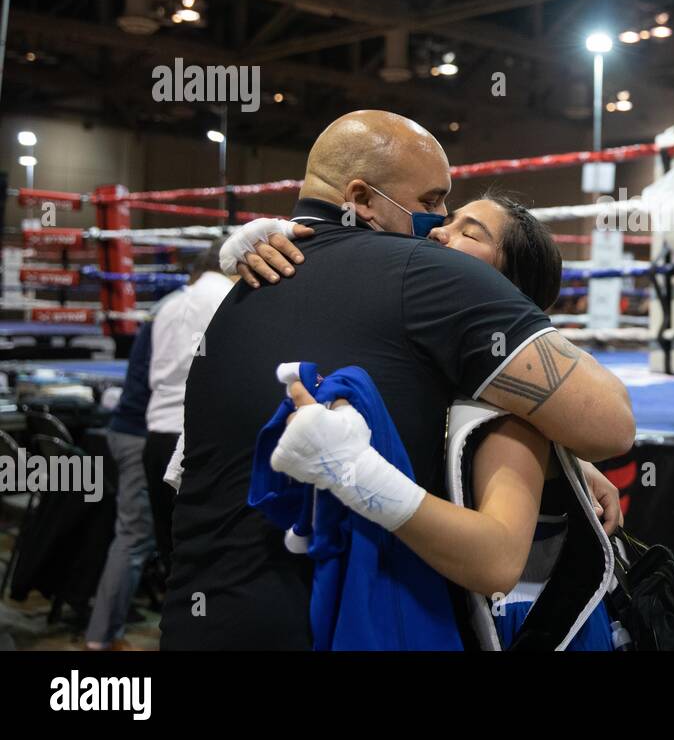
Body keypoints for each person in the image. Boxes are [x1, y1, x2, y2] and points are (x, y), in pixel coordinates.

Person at [160, 111, 634, 650]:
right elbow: (608, 424)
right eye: (433, 204)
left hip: (207, 615)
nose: (437, 228)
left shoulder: (244, 292)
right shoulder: (405, 276)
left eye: (462, 227)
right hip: (327, 621)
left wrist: (359, 473)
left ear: (502, 286)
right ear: (361, 198)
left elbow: (500, 553)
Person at [145, 242, 236, 576]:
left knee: (173, 555)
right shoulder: (230, 299)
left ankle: (178, 623)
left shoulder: (167, 307)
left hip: (156, 435)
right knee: (205, 559)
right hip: (194, 439)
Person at [84, 321, 157, 650]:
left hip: (131, 432)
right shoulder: (179, 315)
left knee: (135, 536)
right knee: (133, 537)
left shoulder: (164, 314)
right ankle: (101, 638)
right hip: (139, 434)